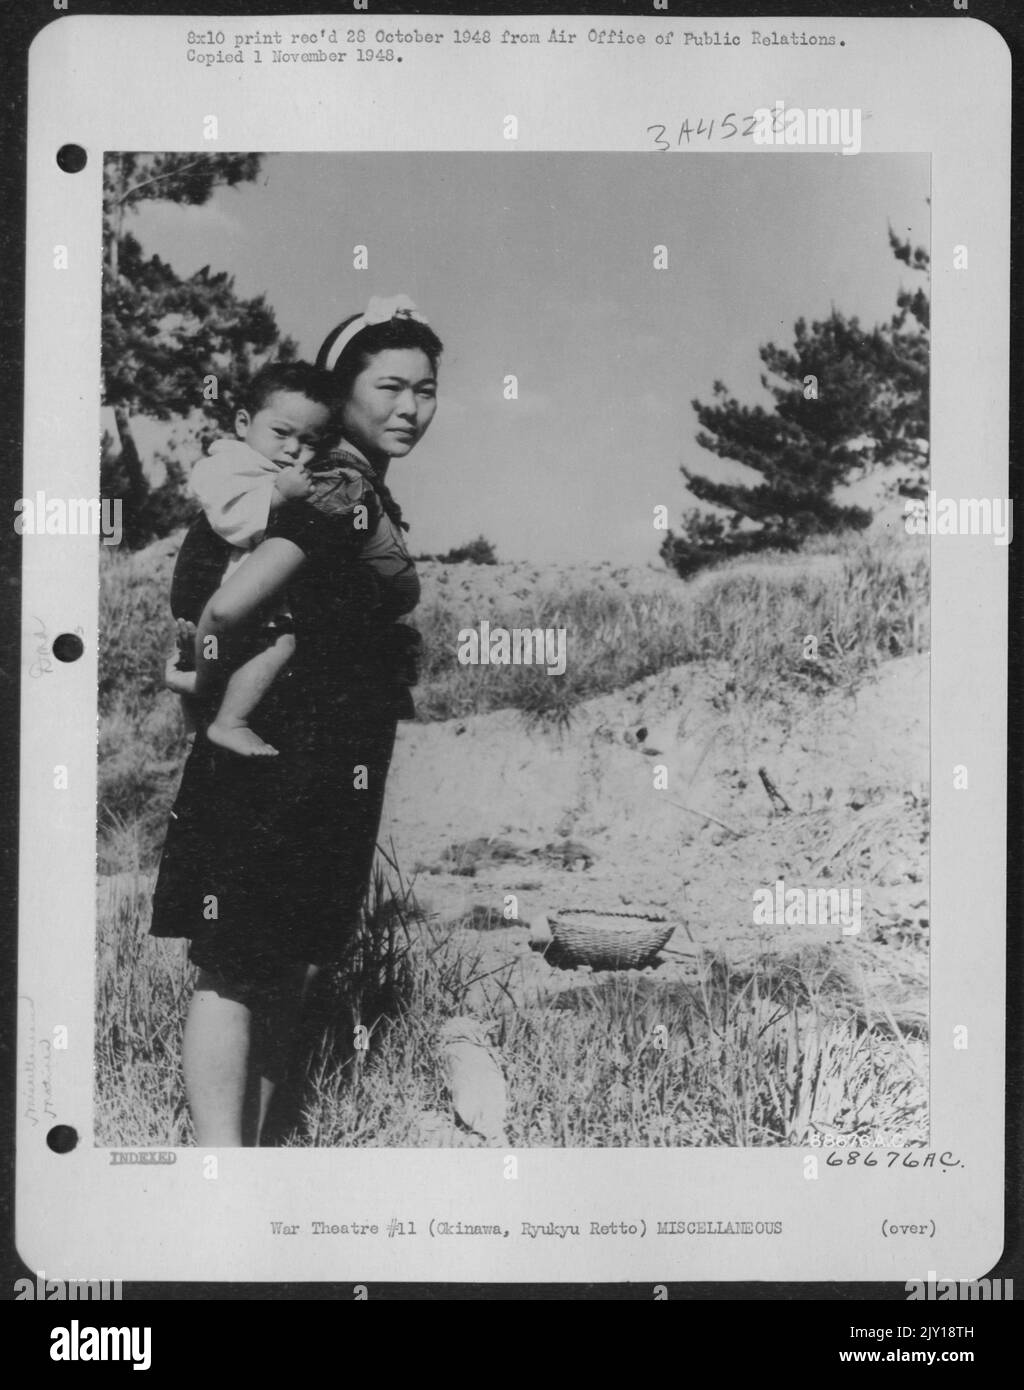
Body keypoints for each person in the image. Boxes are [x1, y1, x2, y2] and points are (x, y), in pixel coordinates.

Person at [153, 295, 441, 1146]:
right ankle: (222, 1169)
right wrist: (202, 669)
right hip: (278, 745)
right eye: (388, 386)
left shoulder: (345, 482)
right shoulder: (332, 483)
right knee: (242, 964)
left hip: (317, 744)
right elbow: (228, 606)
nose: (410, 408)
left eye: (426, 390)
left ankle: (255, 1157)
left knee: (288, 965)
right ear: (342, 389)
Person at [170, 360, 337, 757]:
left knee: (207, 651)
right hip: (219, 588)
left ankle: (197, 723)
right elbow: (233, 521)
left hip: (219, 589)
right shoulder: (229, 464)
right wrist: (280, 495)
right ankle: (230, 720)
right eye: (281, 432)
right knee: (281, 643)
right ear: (244, 423)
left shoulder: (262, 465)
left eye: (310, 441)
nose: (294, 449)